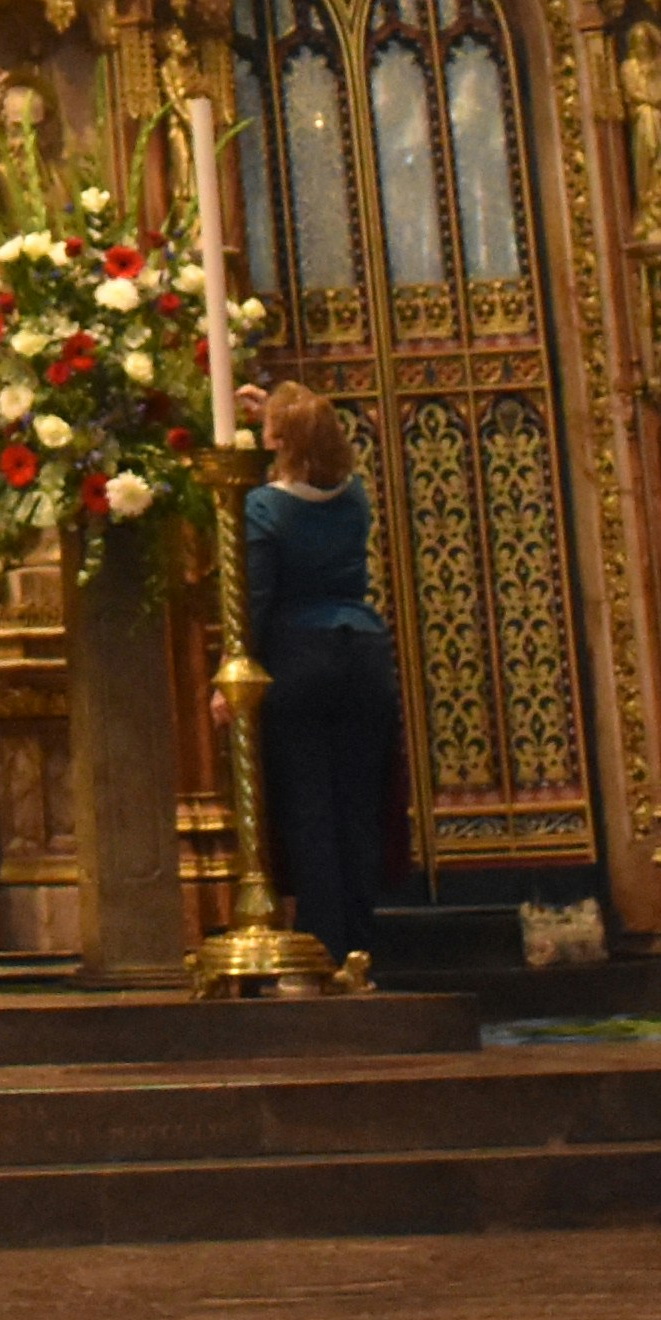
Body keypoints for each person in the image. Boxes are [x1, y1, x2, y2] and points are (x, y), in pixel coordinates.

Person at [246, 382, 397, 972]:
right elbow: (312, 455)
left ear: (281, 443)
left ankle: (322, 949)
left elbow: (256, 600)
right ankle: (361, 949)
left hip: (299, 660)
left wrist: (235, 677)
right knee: (357, 808)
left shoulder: (264, 509)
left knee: (309, 809)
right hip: (363, 653)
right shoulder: (354, 497)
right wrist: (289, 415)